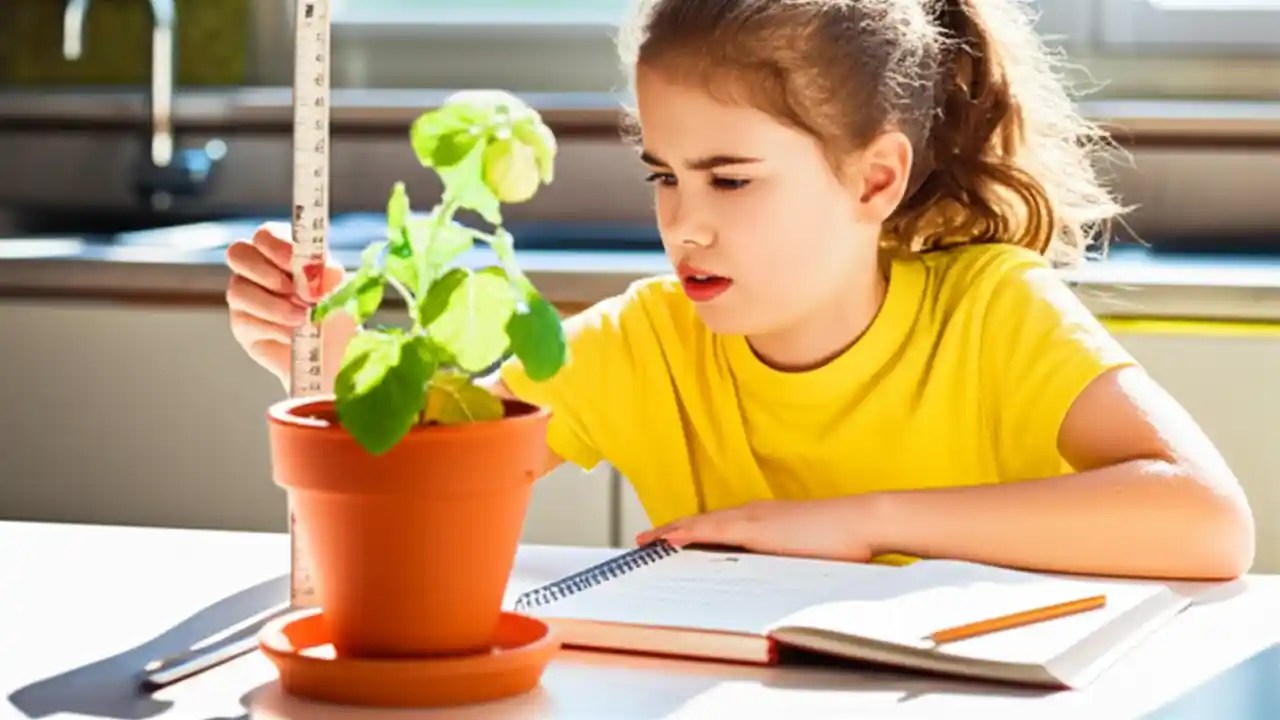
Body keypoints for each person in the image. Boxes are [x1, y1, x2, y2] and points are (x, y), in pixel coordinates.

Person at [224, 0, 1254, 580]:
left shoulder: (990, 307)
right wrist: (344, 367)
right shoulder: (642, 342)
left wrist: (861, 522)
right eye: (664, 176)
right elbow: (419, 494)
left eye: (729, 176)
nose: (685, 222)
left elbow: (1207, 523)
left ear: (873, 177)